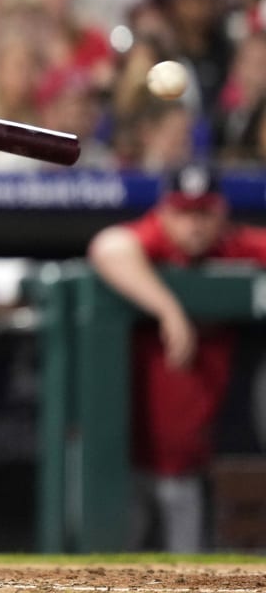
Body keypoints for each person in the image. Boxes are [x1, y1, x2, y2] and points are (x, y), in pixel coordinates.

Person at [87, 164, 266, 552]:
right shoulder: (153, 242)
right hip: (127, 461)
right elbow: (107, 246)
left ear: (222, 213)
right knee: (116, 562)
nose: (195, 226)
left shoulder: (232, 246)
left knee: (187, 567)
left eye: (204, 213)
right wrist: (169, 309)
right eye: (184, 213)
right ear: (165, 212)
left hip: (192, 458)